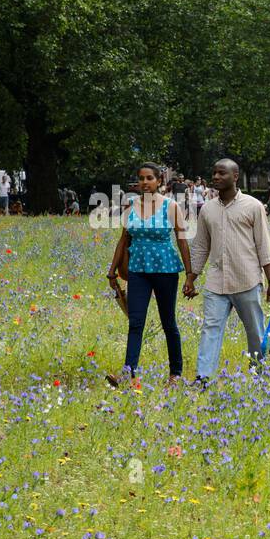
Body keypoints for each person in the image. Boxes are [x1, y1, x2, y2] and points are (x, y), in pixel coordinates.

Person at [184, 159, 270, 383]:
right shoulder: (207, 209)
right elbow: (201, 246)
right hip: (216, 282)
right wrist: (191, 278)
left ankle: (259, 377)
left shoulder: (253, 206)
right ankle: (203, 378)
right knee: (210, 328)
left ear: (235, 176)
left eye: (222, 173)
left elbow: (263, 246)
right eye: (214, 173)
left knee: (255, 331)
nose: (216, 177)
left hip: (246, 279)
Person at [105, 163, 192, 386]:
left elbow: (182, 241)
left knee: (168, 322)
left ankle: (175, 373)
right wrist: (112, 270)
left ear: (159, 181)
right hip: (138, 270)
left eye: (150, 178)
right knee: (135, 322)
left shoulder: (171, 206)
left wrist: (190, 275)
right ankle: (127, 372)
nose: (145, 182)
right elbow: (123, 239)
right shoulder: (130, 206)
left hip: (165, 270)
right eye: (141, 178)